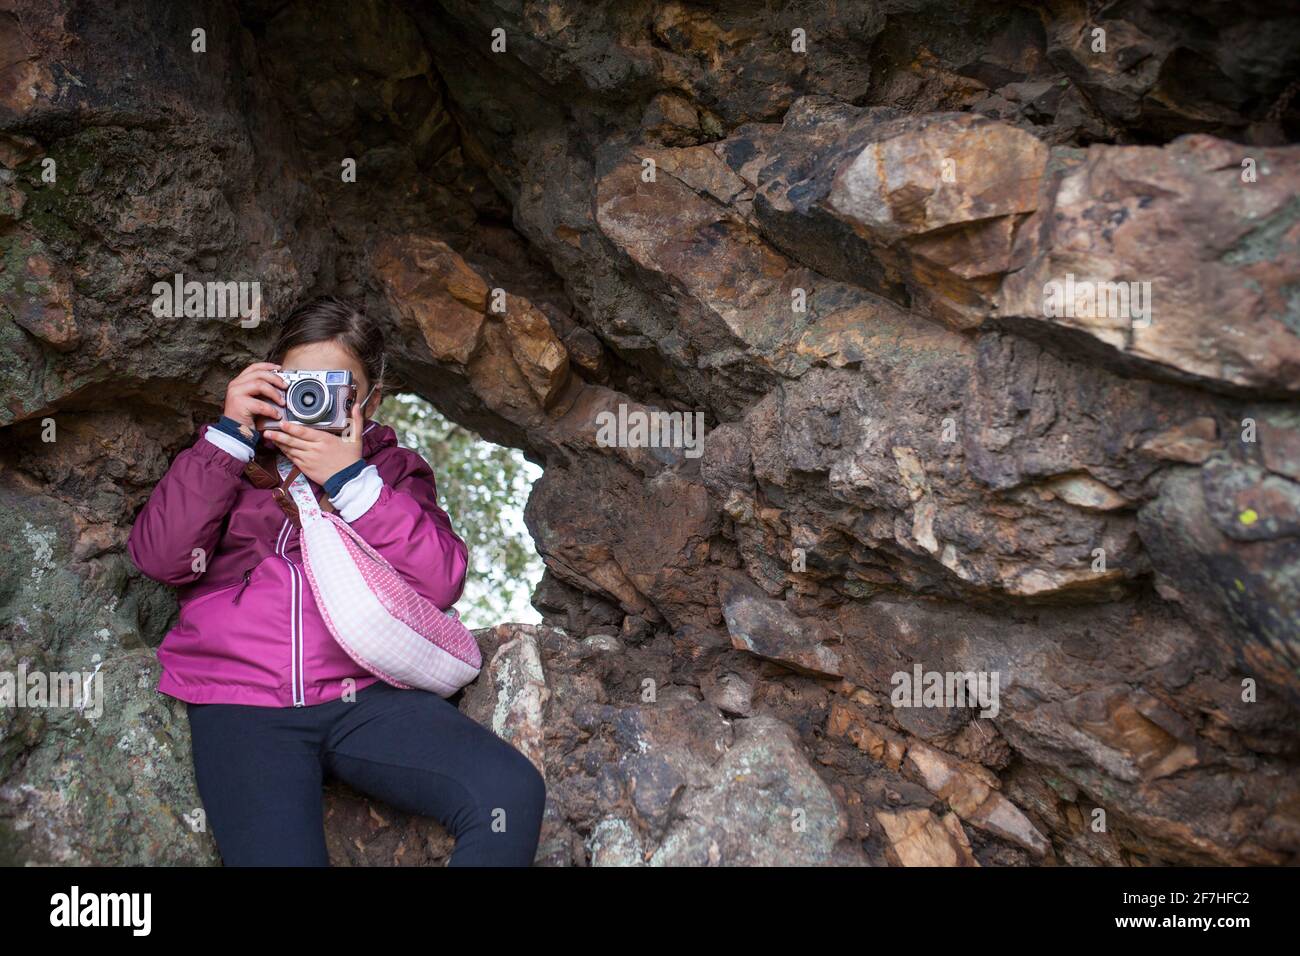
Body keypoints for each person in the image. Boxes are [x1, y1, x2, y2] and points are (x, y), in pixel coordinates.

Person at [127, 296, 545, 866]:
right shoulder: (225, 462)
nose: (310, 400)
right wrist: (227, 434)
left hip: (366, 696)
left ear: (371, 399)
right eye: (298, 382)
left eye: (334, 387)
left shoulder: (392, 471)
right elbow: (160, 557)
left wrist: (350, 479)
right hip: (241, 702)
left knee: (508, 792)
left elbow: (441, 577)